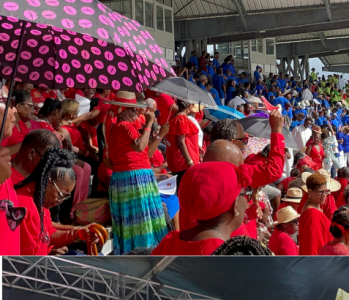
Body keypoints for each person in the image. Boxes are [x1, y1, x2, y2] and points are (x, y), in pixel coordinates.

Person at [104, 92, 172, 253]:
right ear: (123, 110)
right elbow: (140, 146)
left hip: (131, 177)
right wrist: (149, 124)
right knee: (142, 222)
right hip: (134, 179)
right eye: (133, 109)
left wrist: (159, 134)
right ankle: (145, 252)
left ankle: (137, 251)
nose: (136, 112)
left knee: (135, 223)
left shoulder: (119, 127)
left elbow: (144, 154)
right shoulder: (124, 126)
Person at [152, 162, 248, 256]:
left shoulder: (169, 242)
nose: (247, 201)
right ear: (235, 205)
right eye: (246, 194)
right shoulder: (228, 256)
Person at [13, 147, 92, 255]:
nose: (60, 201)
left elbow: (49, 235)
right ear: (48, 182)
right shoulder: (23, 203)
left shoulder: (41, 202)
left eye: (65, 197)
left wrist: (78, 234)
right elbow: (30, 253)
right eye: (61, 195)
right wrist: (48, 250)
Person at [298, 171, 336, 255]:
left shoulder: (315, 207)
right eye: (320, 192)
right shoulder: (311, 214)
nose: (324, 195)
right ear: (310, 191)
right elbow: (314, 246)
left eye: (326, 191)